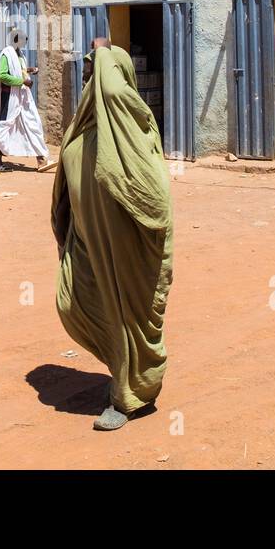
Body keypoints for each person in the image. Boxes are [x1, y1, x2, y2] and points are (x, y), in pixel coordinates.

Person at [51, 40, 174, 431]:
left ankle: (128, 395)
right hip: (87, 243)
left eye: (98, 77)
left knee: (124, 319)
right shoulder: (81, 129)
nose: (91, 84)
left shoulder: (133, 133)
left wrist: (102, 51)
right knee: (72, 302)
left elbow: (153, 200)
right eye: (87, 77)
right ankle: (119, 372)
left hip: (125, 253)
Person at [0, 27, 52, 172]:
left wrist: (30, 70)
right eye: (23, 40)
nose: (25, 43)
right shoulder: (7, 54)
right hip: (9, 97)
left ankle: (41, 159)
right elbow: (3, 75)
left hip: (23, 96)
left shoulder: (20, 55)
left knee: (32, 124)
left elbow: (19, 71)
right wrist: (22, 81)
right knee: (5, 125)